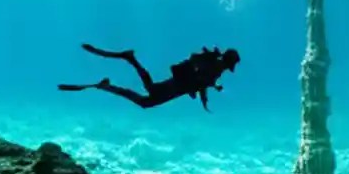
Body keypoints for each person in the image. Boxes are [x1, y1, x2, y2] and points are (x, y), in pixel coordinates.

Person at [58, 44, 240, 111]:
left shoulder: (216, 66)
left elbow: (203, 83)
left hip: (178, 87)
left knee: (148, 96)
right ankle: (128, 61)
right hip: (177, 87)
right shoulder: (215, 66)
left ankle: (110, 82)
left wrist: (204, 99)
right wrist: (203, 95)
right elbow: (201, 80)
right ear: (228, 61)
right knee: (147, 100)